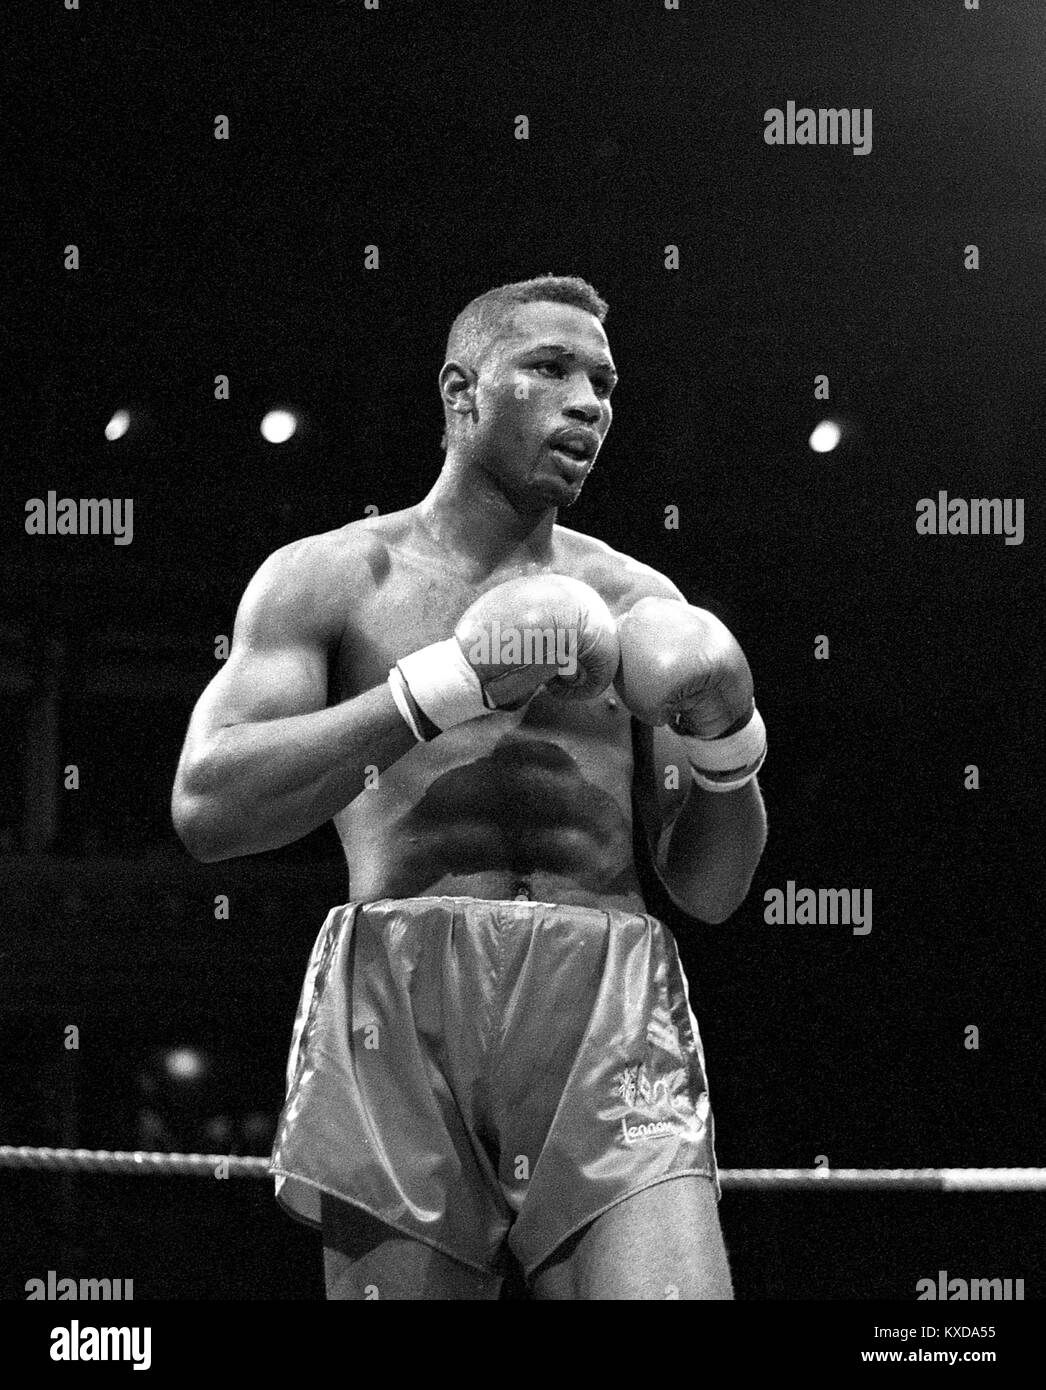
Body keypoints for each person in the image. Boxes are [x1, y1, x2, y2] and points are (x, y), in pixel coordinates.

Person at [171, 275, 768, 1300]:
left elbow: (710, 889)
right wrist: (440, 687)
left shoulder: (637, 602)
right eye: (549, 368)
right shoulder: (329, 578)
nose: (588, 401)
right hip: (394, 1002)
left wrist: (727, 738)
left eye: (604, 382)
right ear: (461, 393)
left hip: (607, 1004)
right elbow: (208, 807)